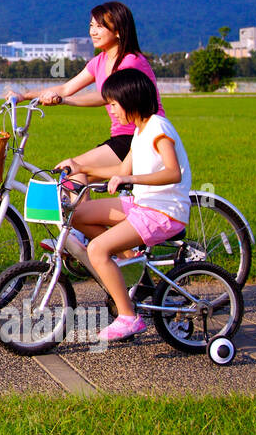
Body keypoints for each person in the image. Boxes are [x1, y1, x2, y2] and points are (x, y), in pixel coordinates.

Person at [57, 68, 192, 343]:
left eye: (114, 105)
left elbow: (172, 172)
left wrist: (129, 178)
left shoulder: (158, 128)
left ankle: (128, 317)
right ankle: (129, 260)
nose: (112, 111)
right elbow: (120, 168)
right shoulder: (140, 132)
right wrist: (79, 167)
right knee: (77, 215)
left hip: (163, 211)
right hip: (143, 204)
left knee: (96, 248)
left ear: (132, 101)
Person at [8, 1, 164, 185]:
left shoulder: (130, 62)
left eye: (100, 26)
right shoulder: (100, 61)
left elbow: (106, 97)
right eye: (91, 25)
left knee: (73, 171)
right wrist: (22, 96)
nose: (93, 32)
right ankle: (83, 213)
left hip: (140, 135)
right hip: (121, 137)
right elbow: (66, 88)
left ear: (118, 31)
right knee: (72, 180)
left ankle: (83, 214)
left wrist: (64, 101)